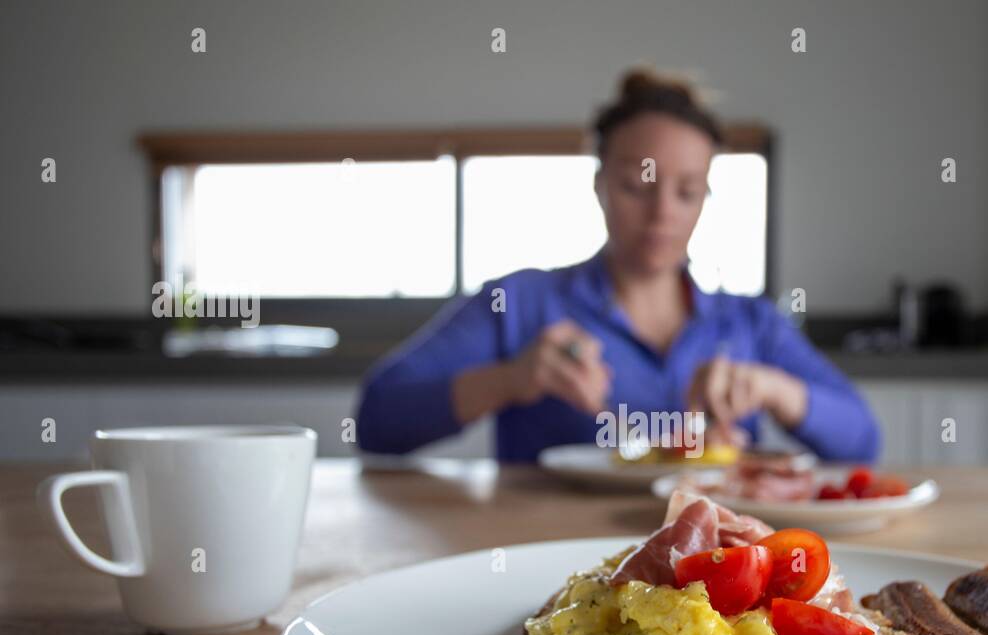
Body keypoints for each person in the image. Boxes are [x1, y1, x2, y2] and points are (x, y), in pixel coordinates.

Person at [355, 68, 880, 462]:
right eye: (637, 185)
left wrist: (774, 390)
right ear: (600, 184)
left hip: (706, 580)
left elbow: (863, 441)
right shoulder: (519, 304)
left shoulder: (749, 323)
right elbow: (375, 420)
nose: (662, 213)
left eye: (688, 191)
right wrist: (513, 379)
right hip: (543, 564)